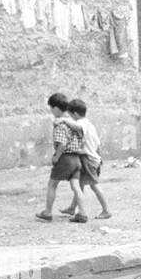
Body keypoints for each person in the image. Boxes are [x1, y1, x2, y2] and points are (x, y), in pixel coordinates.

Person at [35, 93, 88, 224]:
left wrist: (56, 157)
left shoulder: (60, 124)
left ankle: (47, 212)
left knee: (52, 184)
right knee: (76, 186)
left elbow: (62, 144)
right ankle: (82, 212)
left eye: (51, 108)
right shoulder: (75, 123)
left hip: (65, 158)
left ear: (57, 108)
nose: (51, 111)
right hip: (77, 159)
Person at [59, 98, 111, 220]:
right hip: (94, 159)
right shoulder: (90, 125)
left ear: (75, 114)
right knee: (80, 184)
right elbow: (98, 144)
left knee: (94, 185)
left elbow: (77, 127)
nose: (70, 118)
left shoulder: (82, 124)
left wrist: (63, 120)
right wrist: (98, 157)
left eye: (70, 115)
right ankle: (72, 208)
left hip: (88, 160)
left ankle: (106, 210)